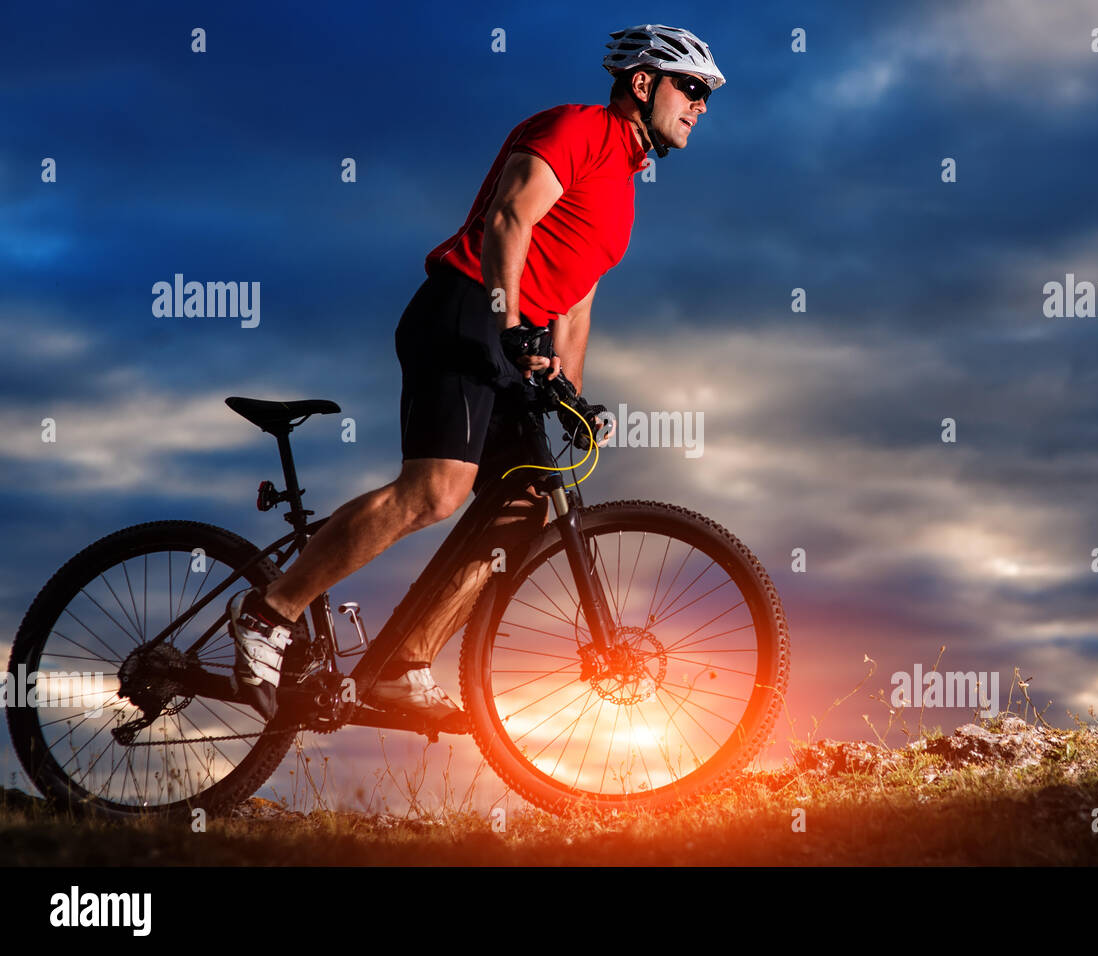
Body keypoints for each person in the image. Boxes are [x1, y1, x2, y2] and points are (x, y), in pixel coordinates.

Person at [225, 24, 726, 722]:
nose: (700, 104)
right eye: (691, 87)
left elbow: (576, 306)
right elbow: (509, 218)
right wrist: (510, 320)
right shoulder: (578, 128)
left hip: (516, 343)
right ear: (643, 83)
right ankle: (268, 612)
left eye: (707, 96)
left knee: (521, 503)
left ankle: (403, 664)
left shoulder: (625, 185)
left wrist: (572, 397)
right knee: (437, 492)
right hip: (466, 309)